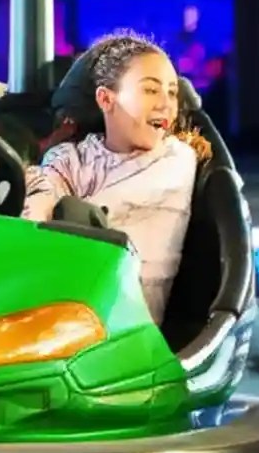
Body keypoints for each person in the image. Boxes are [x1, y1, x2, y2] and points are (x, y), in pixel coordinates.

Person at [21, 32, 211, 324]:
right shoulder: (71, 158)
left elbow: (90, 228)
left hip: (123, 325)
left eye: (172, 92)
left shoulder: (176, 159)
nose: (166, 104)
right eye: (151, 90)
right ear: (106, 99)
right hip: (59, 311)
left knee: (73, 214)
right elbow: (39, 208)